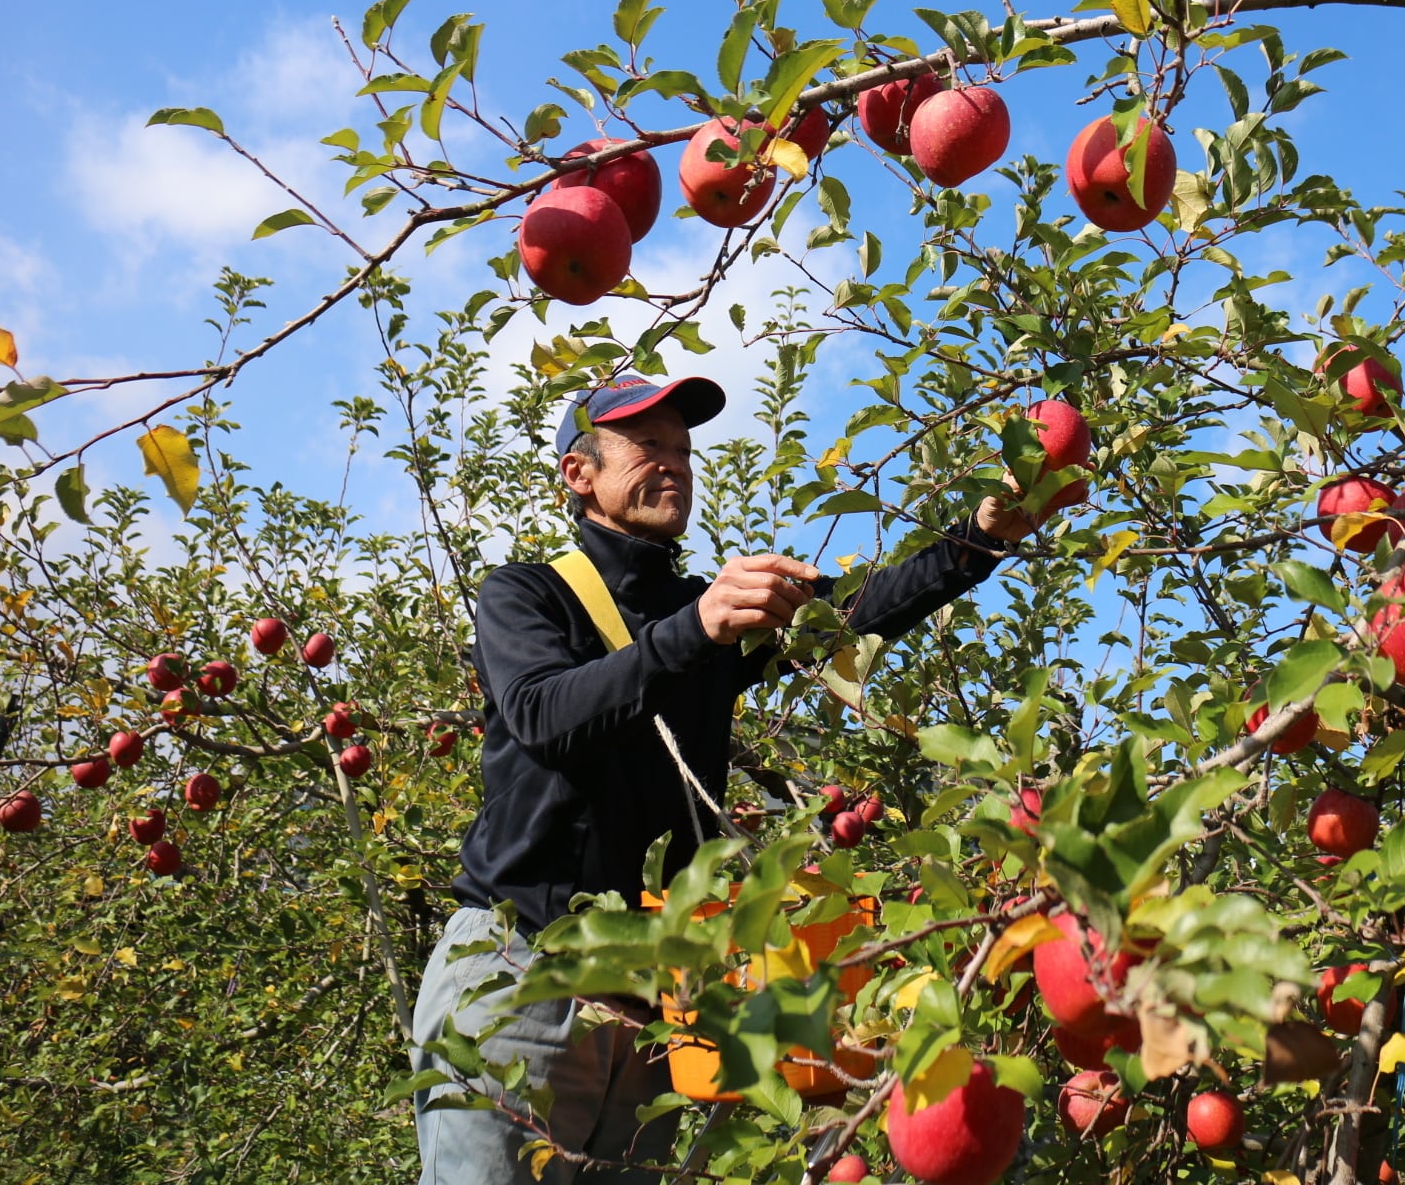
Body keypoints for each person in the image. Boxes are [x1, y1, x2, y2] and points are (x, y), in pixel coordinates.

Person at [409, 374, 1047, 1184]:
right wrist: (697, 629)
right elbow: (542, 715)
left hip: (651, 1011)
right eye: (648, 448)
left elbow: (854, 611)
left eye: (683, 449)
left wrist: (976, 539)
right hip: (517, 974)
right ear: (580, 475)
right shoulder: (529, 593)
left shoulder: (698, 608)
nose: (673, 464)